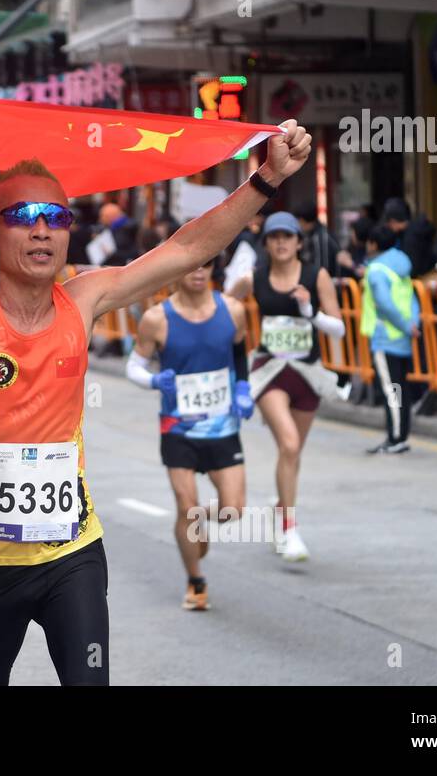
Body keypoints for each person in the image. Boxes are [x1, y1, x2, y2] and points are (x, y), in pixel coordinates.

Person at [0, 89, 311, 686]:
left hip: (72, 556)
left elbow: (187, 249)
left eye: (56, 218)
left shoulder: (85, 300)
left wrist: (265, 179)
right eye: (23, 218)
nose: (42, 231)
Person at [127, 258, 255, 611]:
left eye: (206, 266)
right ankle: (195, 581)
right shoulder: (158, 318)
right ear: (177, 271)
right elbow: (134, 365)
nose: (199, 273)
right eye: (191, 266)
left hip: (222, 426)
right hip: (177, 427)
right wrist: (153, 380)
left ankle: (200, 517)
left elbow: (239, 351)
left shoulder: (232, 310)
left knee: (234, 510)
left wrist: (243, 386)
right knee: (185, 506)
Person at [228, 211, 344, 563]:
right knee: (289, 443)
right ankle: (291, 530)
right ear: (266, 243)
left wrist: (310, 311)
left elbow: (338, 328)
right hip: (269, 371)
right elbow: (225, 305)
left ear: (298, 242)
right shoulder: (255, 278)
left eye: (287, 236)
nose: (281, 242)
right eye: (274, 236)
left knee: (291, 454)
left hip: (307, 372)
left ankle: (281, 512)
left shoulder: (315, 275)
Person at [361, 224, 421, 454]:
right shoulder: (401, 265)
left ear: (373, 244)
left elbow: (384, 305)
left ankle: (396, 438)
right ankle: (399, 435)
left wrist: (406, 326)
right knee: (400, 388)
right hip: (404, 338)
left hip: (385, 338)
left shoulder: (376, 270)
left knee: (392, 391)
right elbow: (412, 298)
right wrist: (411, 326)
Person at [380, 197, 436, 279]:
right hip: (428, 276)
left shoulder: (411, 237)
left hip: (423, 281)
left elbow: (411, 268)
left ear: (393, 222)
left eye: (389, 224)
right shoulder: (414, 229)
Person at [293, 202, 342, 278]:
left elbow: (321, 267)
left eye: (299, 221)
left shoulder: (321, 238)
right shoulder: (320, 233)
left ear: (304, 221)